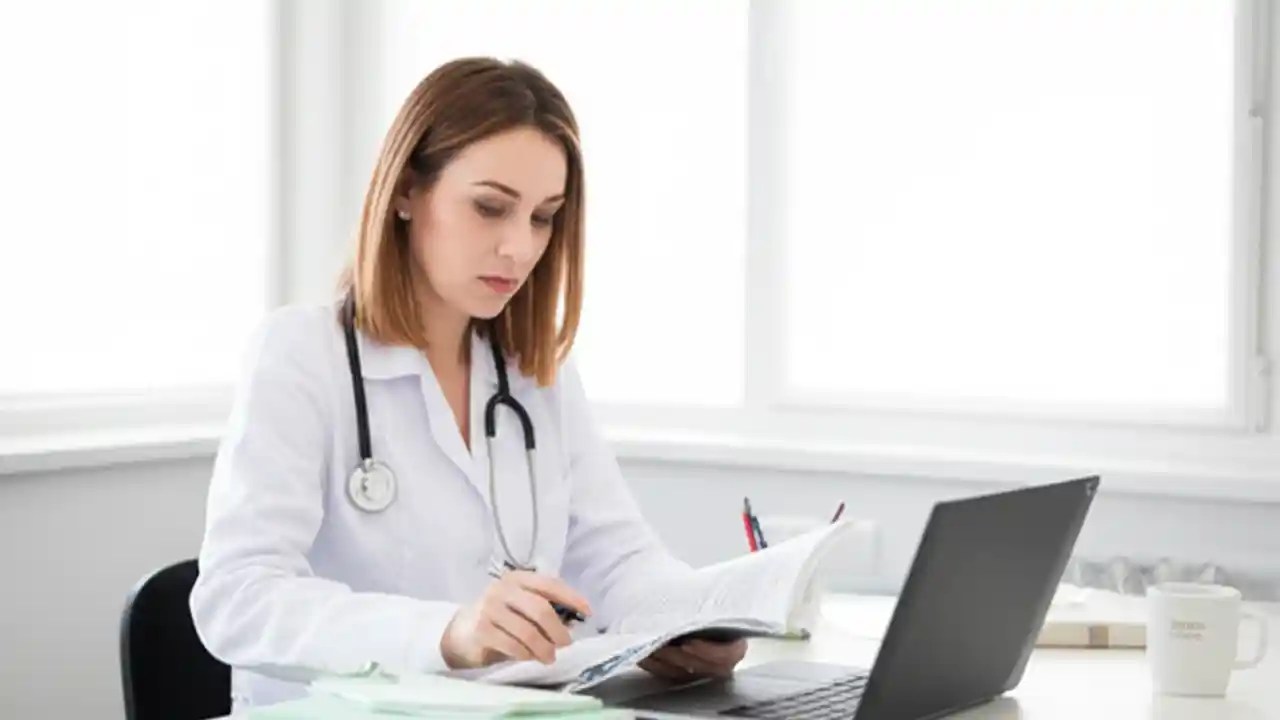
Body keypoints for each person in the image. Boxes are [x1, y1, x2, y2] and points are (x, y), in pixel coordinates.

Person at [190, 57, 746, 710]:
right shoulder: (303, 355)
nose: (519, 247)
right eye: (490, 208)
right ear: (405, 191)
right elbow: (238, 596)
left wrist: (689, 622)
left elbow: (616, 559)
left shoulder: (534, 371)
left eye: (543, 217)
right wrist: (448, 633)